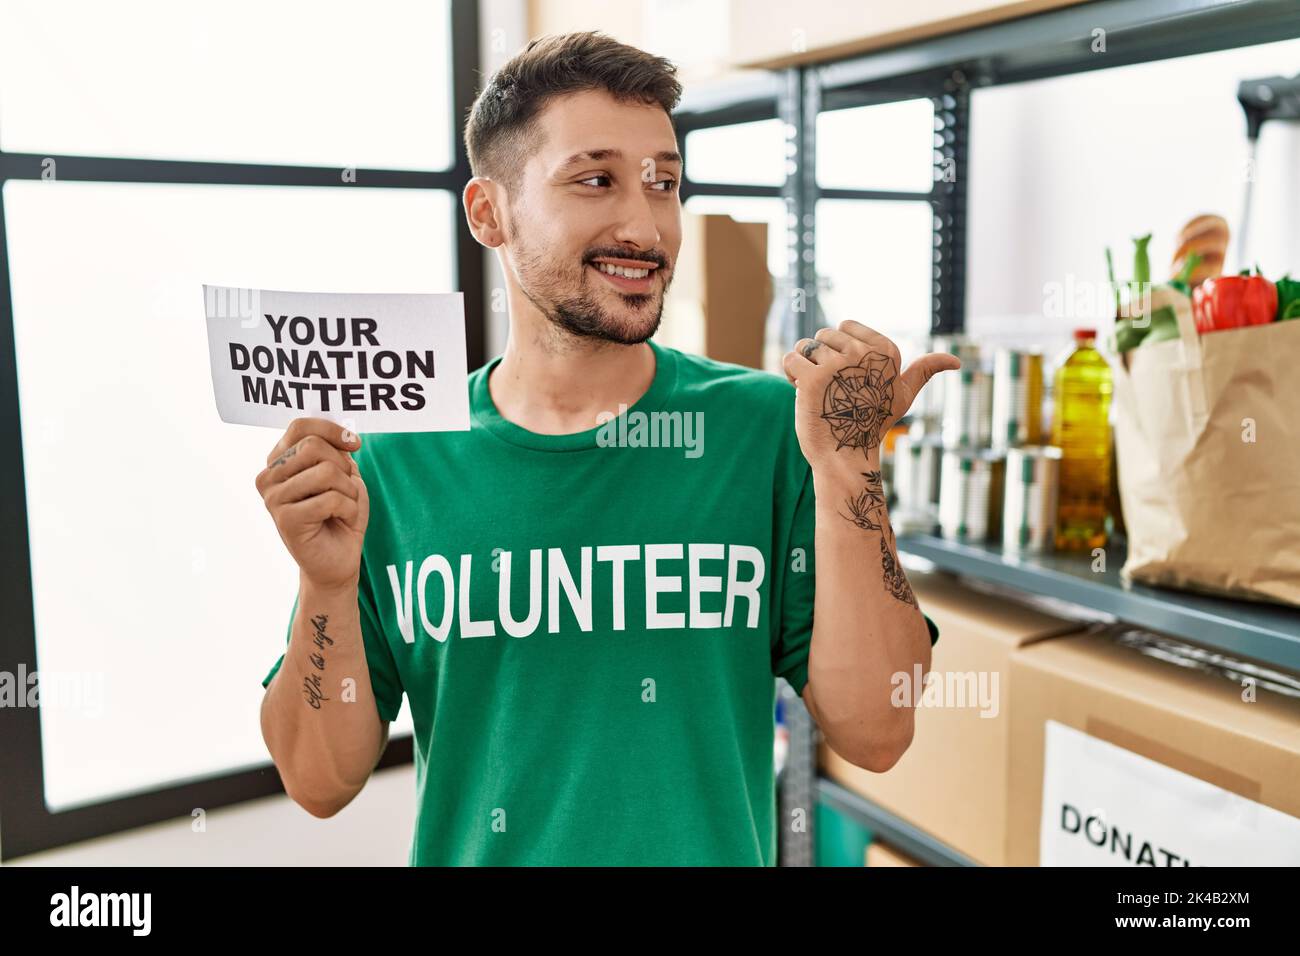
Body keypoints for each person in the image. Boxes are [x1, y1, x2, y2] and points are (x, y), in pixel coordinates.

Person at [256, 31, 958, 866]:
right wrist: (325, 583)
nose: (645, 223)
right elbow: (317, 780)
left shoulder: (772, 429)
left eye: (664, 183)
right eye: (596, 180)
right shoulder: (395, 464)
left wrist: (850, 471)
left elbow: (879, 729)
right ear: (491, 212)